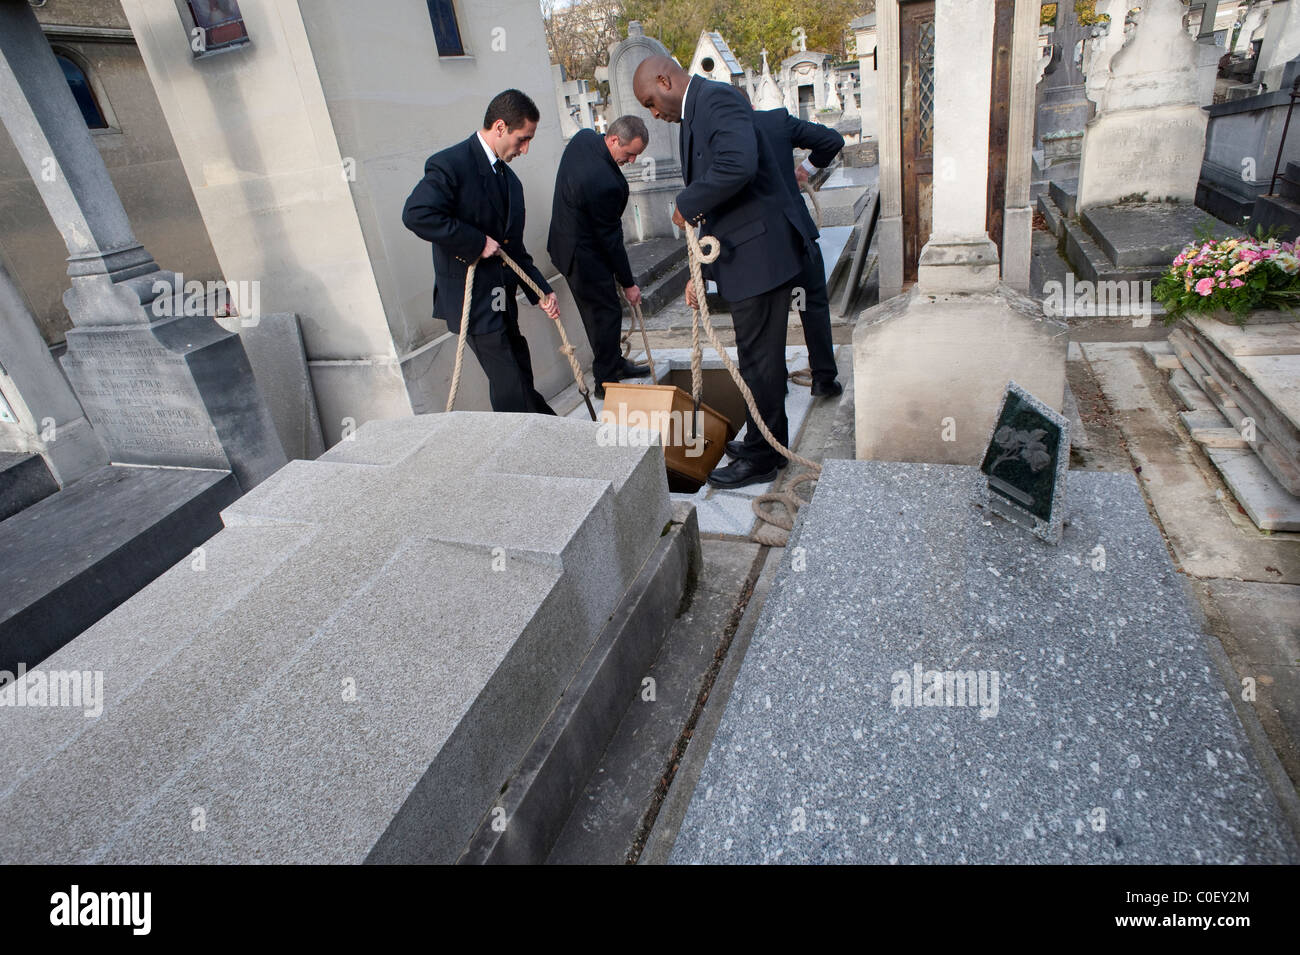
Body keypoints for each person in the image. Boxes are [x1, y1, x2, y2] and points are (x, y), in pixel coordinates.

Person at [633, 57, 814, 489]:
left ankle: (762, 458)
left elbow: (737, 165)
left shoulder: (716, 100)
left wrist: (686, 201)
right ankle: (763, 438)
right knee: (756, 360)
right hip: (744, 257)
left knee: (760, 363)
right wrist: (703, 275)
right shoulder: (695, 112)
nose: (654, 113)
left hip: (761, 257)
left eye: (651, 102)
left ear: (665, 80)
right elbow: (724, 198)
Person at [402, 89, 561, 414]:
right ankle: (552, 441)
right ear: (500, 127)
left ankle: (541, 441)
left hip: (503, 302)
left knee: (518, 378)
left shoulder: (510, 181)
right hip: (472, 302)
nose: (526, 149)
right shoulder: (451, 164)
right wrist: (474, 242)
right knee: (512, 389)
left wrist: (542, 290)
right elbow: (417, 213)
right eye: (522, 139)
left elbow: (514, 250)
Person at [547, 115, 652, 400]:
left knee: (605, 311)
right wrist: (628, 283)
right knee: (603, 313)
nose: (631, 162)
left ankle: (614, 362)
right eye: (629, 154)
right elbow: (611, 240)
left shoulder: (584, 138)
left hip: (570, 239)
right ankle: (605, 382)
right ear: (614, 140)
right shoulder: (604, 183)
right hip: (580, 254)